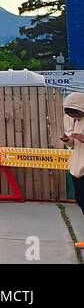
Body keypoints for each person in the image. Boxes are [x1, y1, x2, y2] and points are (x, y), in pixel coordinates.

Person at [63, 93, 84, 249]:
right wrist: (68, 141)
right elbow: (73, 146)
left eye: (75, 113)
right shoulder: (72, 121)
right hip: (77, 167)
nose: (74, 117)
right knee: (81, 200)